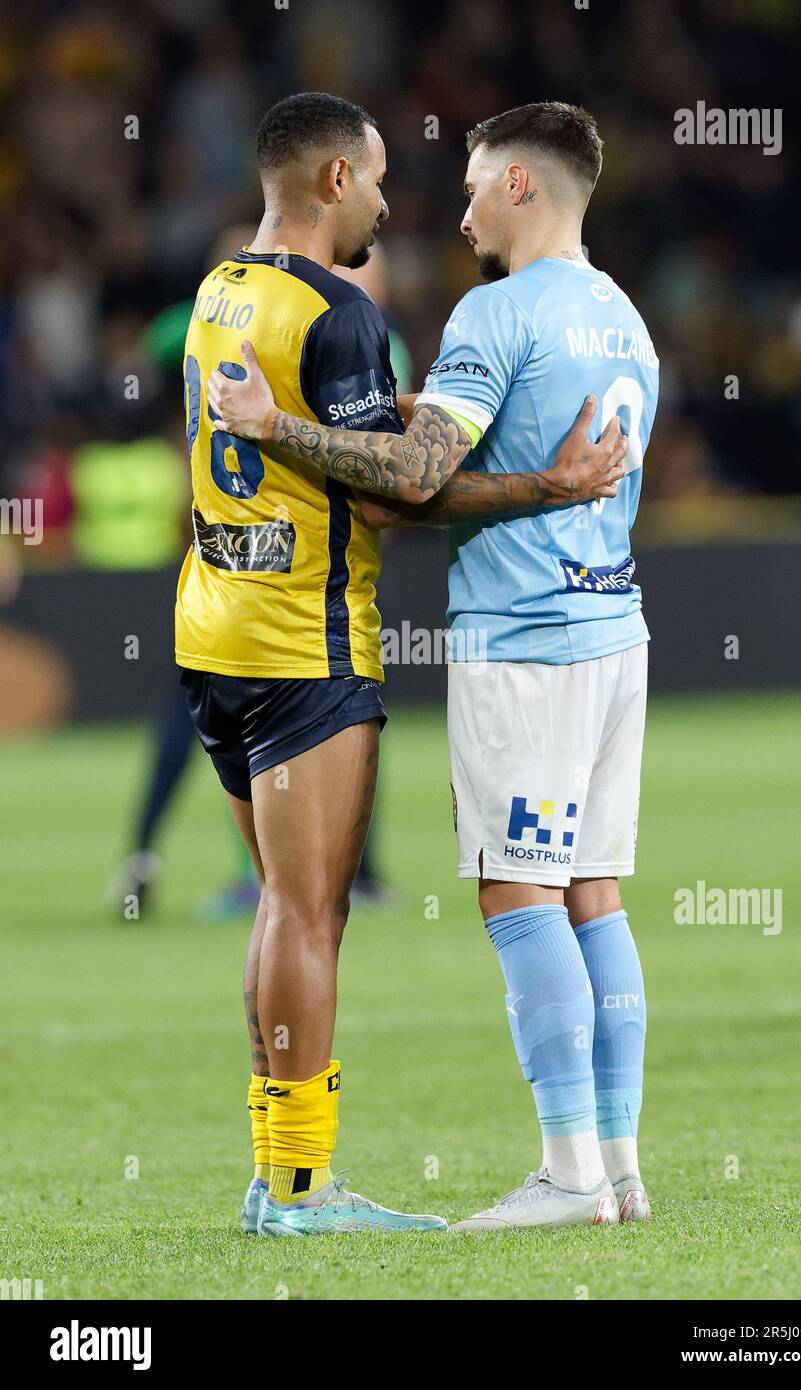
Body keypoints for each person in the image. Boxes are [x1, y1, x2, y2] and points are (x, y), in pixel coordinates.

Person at [181, 91, 625, 1237]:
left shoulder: (220, 287)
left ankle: (279, 1173)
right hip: (305, 643)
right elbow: (399, 484)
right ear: (335, 180)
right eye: (376, 176)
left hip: (214, 623)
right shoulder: (336, 313)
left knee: (281, 908)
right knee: (307, 912)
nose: (391, 198)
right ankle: (299, 1189)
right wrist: (543, 485)